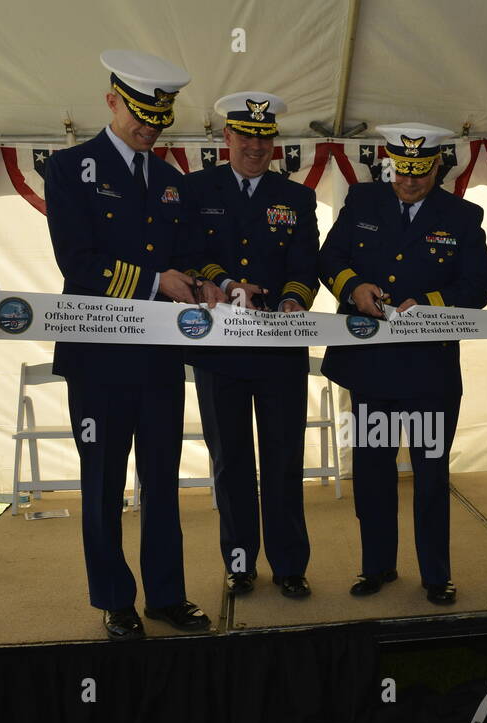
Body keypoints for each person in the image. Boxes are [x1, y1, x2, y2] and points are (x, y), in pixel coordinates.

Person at [45, 49, 221, 641]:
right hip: (98, 358)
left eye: (159, 120)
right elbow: (78, 261)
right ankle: (115, 598)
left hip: (160, 358)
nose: (149, 128)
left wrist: (207, 283)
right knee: (102, 483)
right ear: (112, 101)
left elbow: (189, 259)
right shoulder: (70, 169)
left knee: (163, 480)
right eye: (140, 116)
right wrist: (156, 282)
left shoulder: (174, 183)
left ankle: (167, 595)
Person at [319, 123, 487, 604]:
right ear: (389, 162)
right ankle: (377, 567)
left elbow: (476, 288)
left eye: (420, 172)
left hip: (428, 372)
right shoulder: (362, 201)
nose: (410, 182)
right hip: (369, 368)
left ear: (437, 166)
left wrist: (429, 303)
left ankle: (436, 574)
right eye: (402, 171)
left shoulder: (462, 215)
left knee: (430, 475)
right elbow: (329, 257)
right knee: (372, 473)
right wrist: (353, 286)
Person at [181, 92, 319, 599]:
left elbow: (307, 267)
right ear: (227, 138)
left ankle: (289, 565)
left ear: (274, 142)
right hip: (220, 352)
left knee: (283, 459)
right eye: (245, 136)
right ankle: (239, 563)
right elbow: (191, 254)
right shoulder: (197, 190)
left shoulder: (298, 198)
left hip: (280, 351)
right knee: (230, 460)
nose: (255, 146)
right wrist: (228, 282)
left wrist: (290, 302)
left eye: (264, 137)